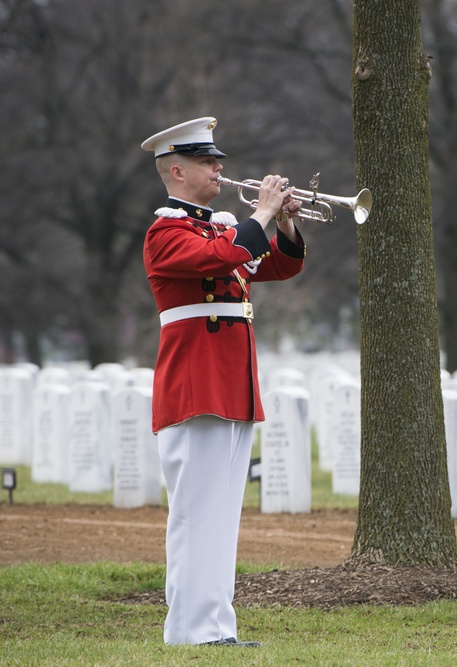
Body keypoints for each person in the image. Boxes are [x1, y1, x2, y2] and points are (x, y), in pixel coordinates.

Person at [140, 117, 306, 647]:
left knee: (221, 520)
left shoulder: (219, 227)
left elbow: (275, 267)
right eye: (209, 162)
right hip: (195, 391)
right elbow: (224, 256)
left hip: (231, 389)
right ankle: (189, 631)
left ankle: (215, 628)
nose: (219, 169)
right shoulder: (166, 233)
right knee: (196, 516)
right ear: (177, 170)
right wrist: (260, 211)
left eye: (218, 162)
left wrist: (284, 225)